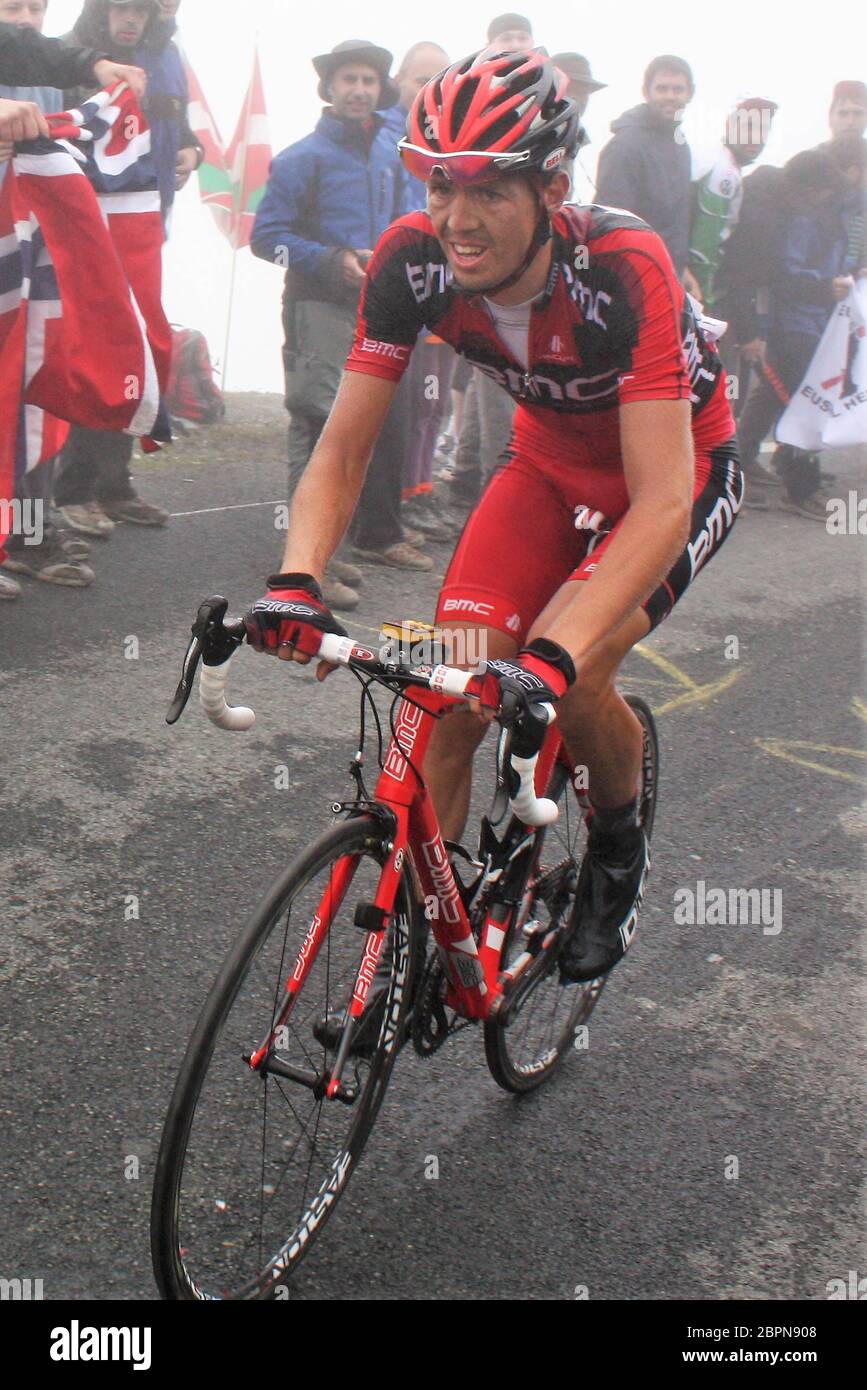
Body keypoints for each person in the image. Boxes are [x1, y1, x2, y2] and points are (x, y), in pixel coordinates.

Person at [243, 50, 742, 1033]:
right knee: (447, 690)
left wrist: (551, 659)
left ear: (553, 188)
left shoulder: (622, 268)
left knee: (580, 669)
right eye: (439, 181)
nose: (457, 217)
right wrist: (296, 581)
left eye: (490, 188)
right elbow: (344, 449)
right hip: (545, 469)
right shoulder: (411, 261)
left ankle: (614, 841)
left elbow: (659, 499)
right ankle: (419, 937)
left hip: (672, 476)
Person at [252, 39, 430, 609]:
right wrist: (332, 260)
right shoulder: (301, 157)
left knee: (354, 429)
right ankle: (302, 570)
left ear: (382, 89)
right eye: (348, 79)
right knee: (315, 423)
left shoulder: (390, 152)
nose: (358, 89)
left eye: (368, 80)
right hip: (316, 306)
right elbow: (265, 237)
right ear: (328, 90)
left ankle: (328, 550)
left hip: (377, 308)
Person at [53, 0, 201, 538]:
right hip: (88, 233)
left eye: (141, 8)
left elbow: (179, 125)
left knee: (138, 349)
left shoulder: (166, 57)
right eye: (121, 6)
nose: (132, 18)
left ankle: (114, 486)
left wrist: (193, 149)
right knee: (93, 356)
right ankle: (73, 490)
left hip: (146, 225)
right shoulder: (71, 57)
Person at [0, 0, 96, 591]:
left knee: (35, 396)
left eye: (38, 5)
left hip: (33, 261)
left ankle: (29, 535)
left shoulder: (54, 77)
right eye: (14, 4)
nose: (27, 15)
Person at [735, 141, 866, 519]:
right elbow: (785, 276)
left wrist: (851, 277)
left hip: (816, 321)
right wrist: (827, 288)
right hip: (795, 323)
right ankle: (799, 487)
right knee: (810, 402)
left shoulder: (826, 215)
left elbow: (826, 264)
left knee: (777, 397)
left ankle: (744, 465)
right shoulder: (803, 219)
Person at [381, 41, 455, 542]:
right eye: (416, 80)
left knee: (436, 403)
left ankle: (422, 487)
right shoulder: (385, 141)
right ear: (399, 81)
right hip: (408, 293)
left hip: (449, 290)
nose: (424, 92)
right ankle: (400, 495)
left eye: (437, 84)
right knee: (408, 404)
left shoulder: (449, 142)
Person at [596, 53, 697, 287]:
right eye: (662, 89)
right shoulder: (624, 146)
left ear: (689, 94)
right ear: (646, 91)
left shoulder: (680, 145)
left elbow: (677, 218)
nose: (670, 96)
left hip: (670, 276)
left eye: (678, 89)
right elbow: (612, 226)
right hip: (634, 282)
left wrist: (682, 269)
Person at [688, 96, 778, 308]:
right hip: (693, 291)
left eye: (763, 129)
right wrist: (703, 302)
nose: (755, 137)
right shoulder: (723, 171)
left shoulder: (726, 164)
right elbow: (703, 249)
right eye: (748, 127)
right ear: (730, 125)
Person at [550, 51, 607, 205]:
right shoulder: (533, 138)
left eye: (583, 91)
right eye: (568, 88)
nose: (576, 97)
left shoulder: (573, 136)